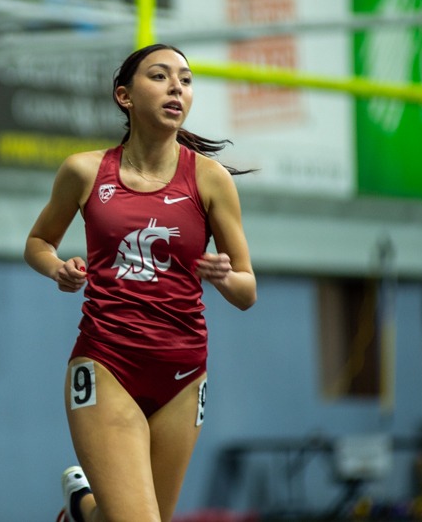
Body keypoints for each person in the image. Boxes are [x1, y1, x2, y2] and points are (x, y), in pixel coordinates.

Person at [24, 44, 258, 522]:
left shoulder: (210, 180)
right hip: (107, 361)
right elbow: (37, 242)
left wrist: (223, 276)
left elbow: (247, 290)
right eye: (160, 76)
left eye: (186, 80)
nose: (177, 86)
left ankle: (81, 511)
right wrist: (57, 269)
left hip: (184, 375)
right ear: (124, 96)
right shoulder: (84, 171)